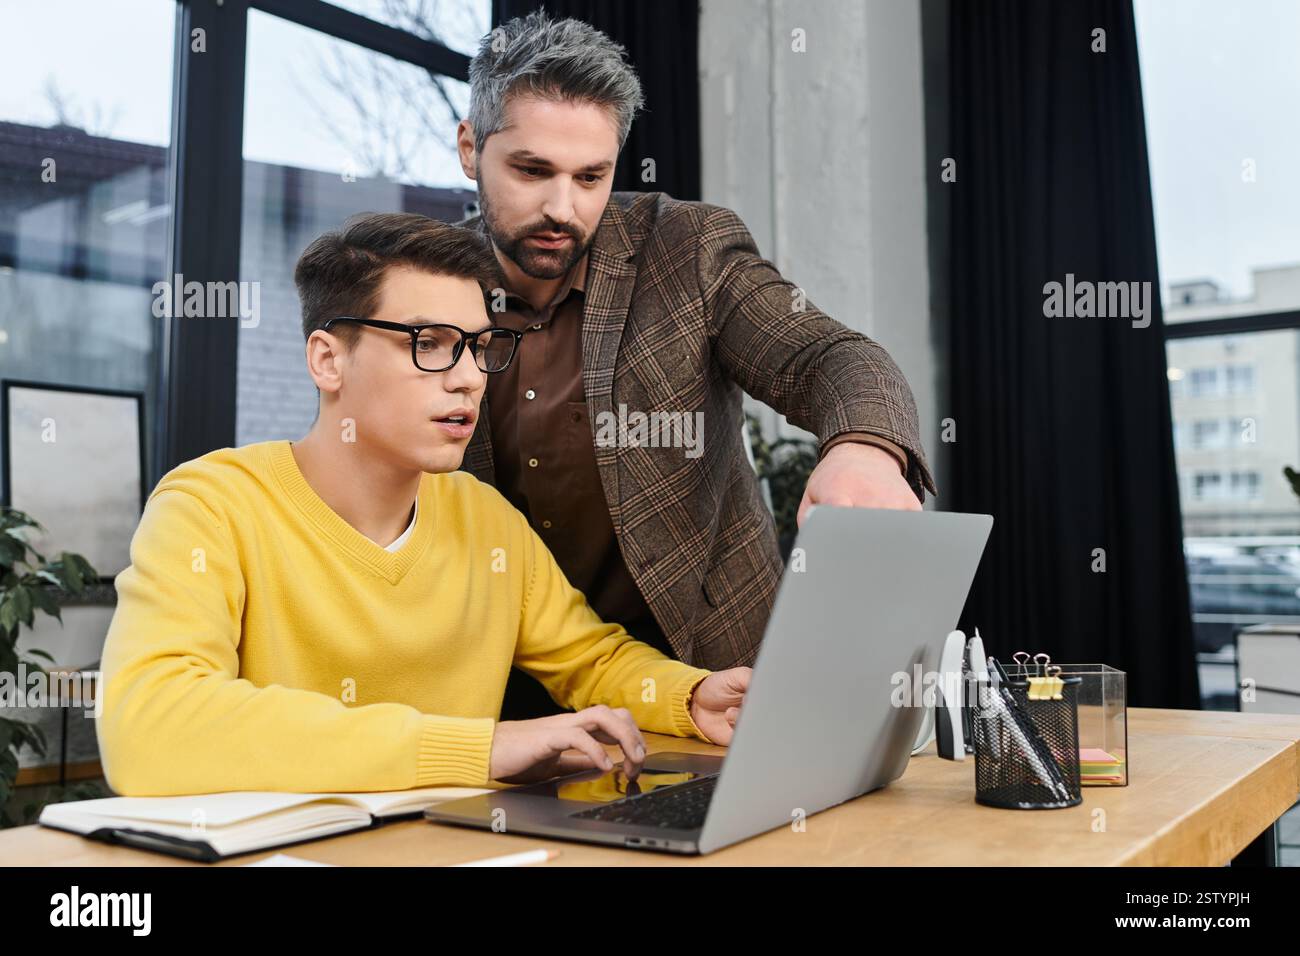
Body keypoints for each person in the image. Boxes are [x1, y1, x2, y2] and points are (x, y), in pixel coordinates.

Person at [96, 212, 751, 796]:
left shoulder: (482, 516)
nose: (468, 377)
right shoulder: (210, 506)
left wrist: (689, 698)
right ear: (328, 361)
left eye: (478, 346)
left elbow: (591, 660)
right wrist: (478, 749)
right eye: (428, 343)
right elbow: (148, 724)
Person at [451, 11, 936, 718]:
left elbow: (829, 354)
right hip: (504, 696)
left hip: (715, 679)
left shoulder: (687, 249)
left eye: (592, 176)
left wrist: (864, 449)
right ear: (470, 149)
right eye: (531, 170)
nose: (563, 207)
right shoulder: (422, 281)